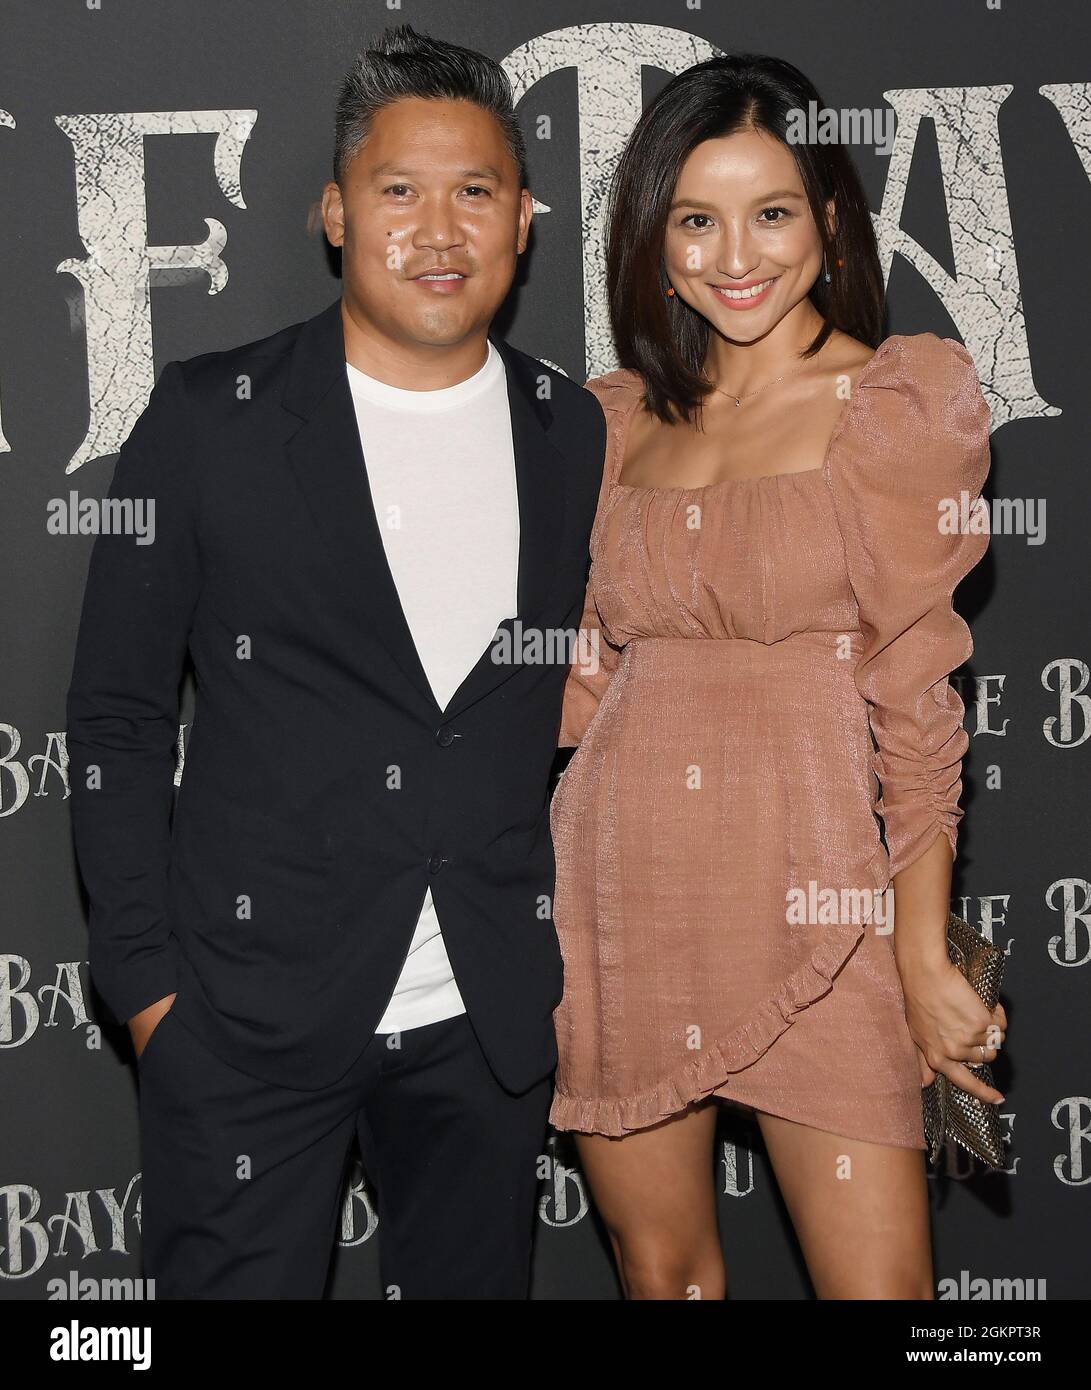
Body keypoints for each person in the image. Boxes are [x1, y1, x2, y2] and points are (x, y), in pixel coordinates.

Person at [65, 24, 607, 1300]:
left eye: (474, 191)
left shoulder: (567, 428)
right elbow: (117, 712)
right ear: (333, 211)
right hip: (244, 1024)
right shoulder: (211, 418)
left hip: (482, 1026)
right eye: (397, 189)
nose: (437, 229)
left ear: (521, 220)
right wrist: (146, 990)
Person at [549, 52, 1008, 1300]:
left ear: (828, 219)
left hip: (824, 910)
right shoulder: (610, 421)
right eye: (694, 219)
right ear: (653, 236)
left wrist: (920, 948)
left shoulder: (892, 400)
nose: (730, 255)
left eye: (769, 213)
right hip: (623, 900)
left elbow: (916, 696)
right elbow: (574, 685)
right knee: (668, 1278)